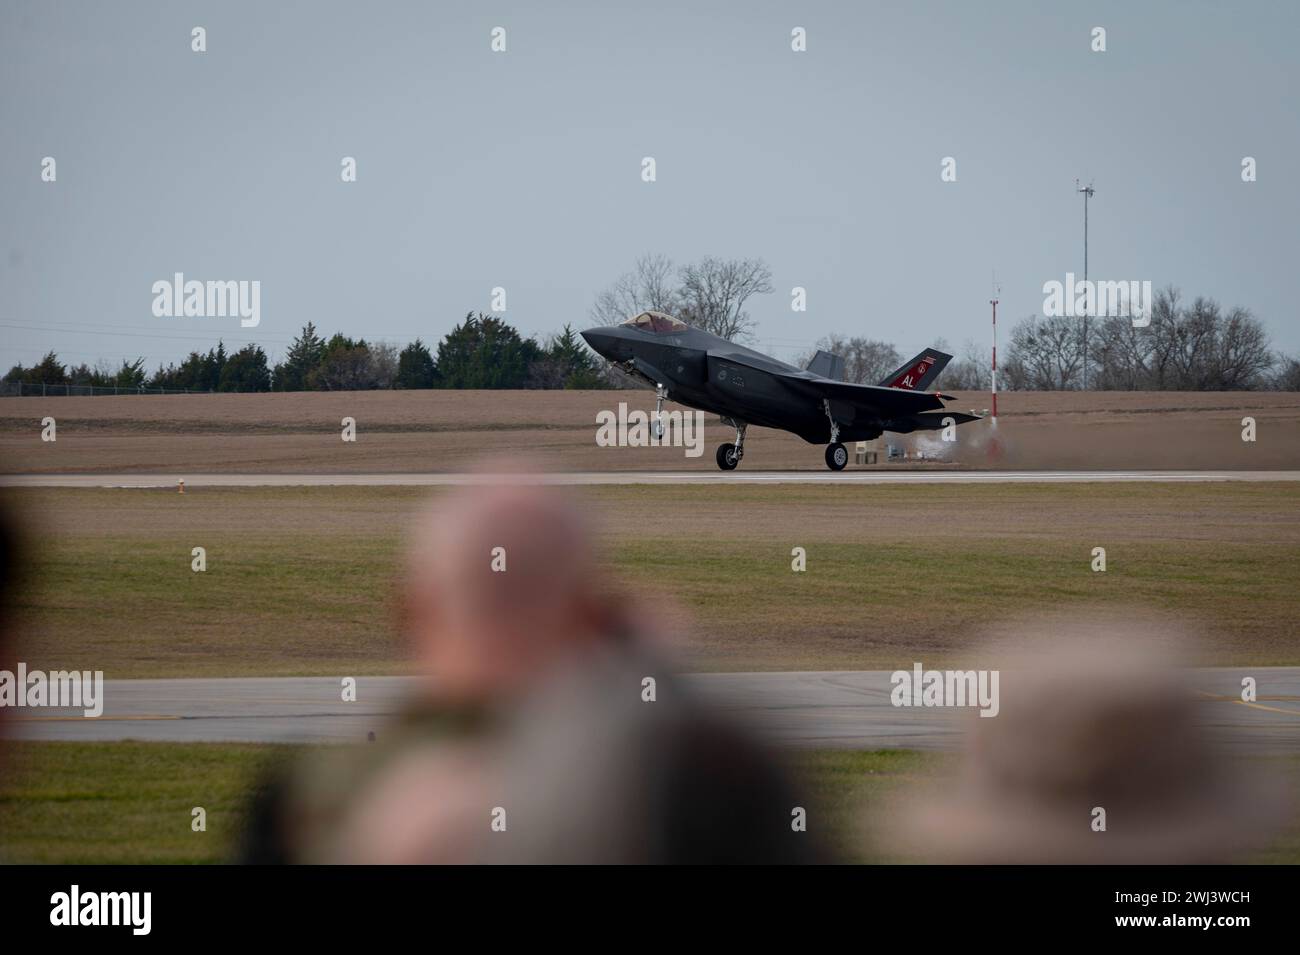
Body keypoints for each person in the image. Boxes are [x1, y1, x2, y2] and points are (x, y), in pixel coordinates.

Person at [242, 478, 819, 864]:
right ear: (599, 613)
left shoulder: (304, 802)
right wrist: (660, 679)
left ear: (408, 610)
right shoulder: (700, 784)